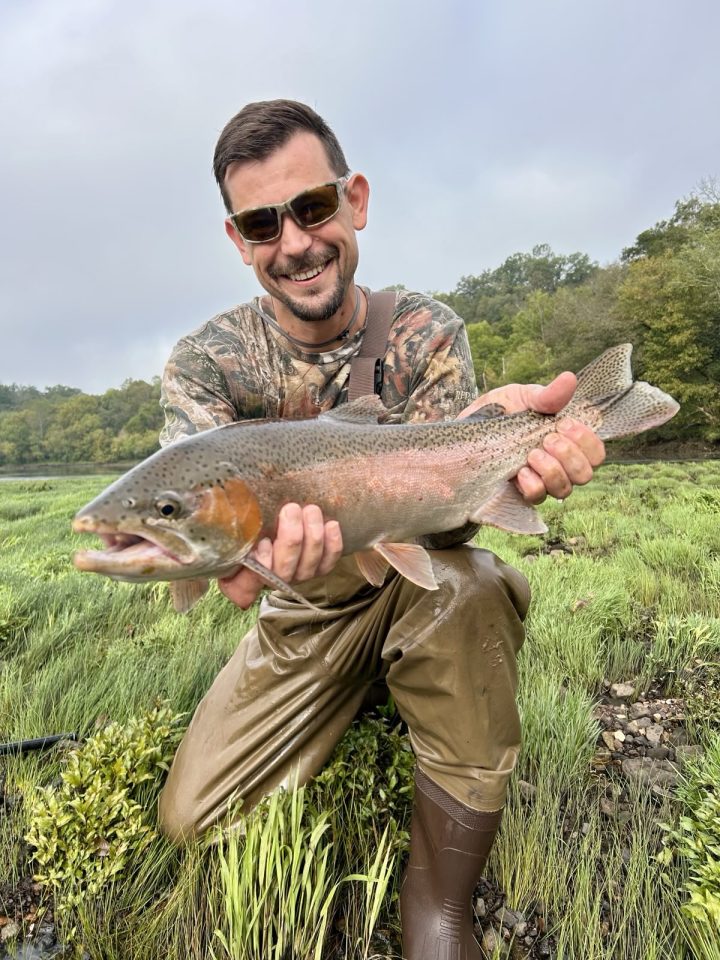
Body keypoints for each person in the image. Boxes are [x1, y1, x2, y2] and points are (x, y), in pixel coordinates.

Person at [157, 99, 605, 958]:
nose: (294, 242)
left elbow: (444, 533)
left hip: (415, 589)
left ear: (354, 198)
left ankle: (437, 906)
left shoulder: (425, 332)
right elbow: (218, 552)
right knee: (188, 819)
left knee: (473, 586)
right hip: (302, 618)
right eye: (262, 223)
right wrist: (218, 561)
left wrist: (503, 440)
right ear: (237, 239)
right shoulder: (205, 366)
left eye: (312, 207)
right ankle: (364, 689)